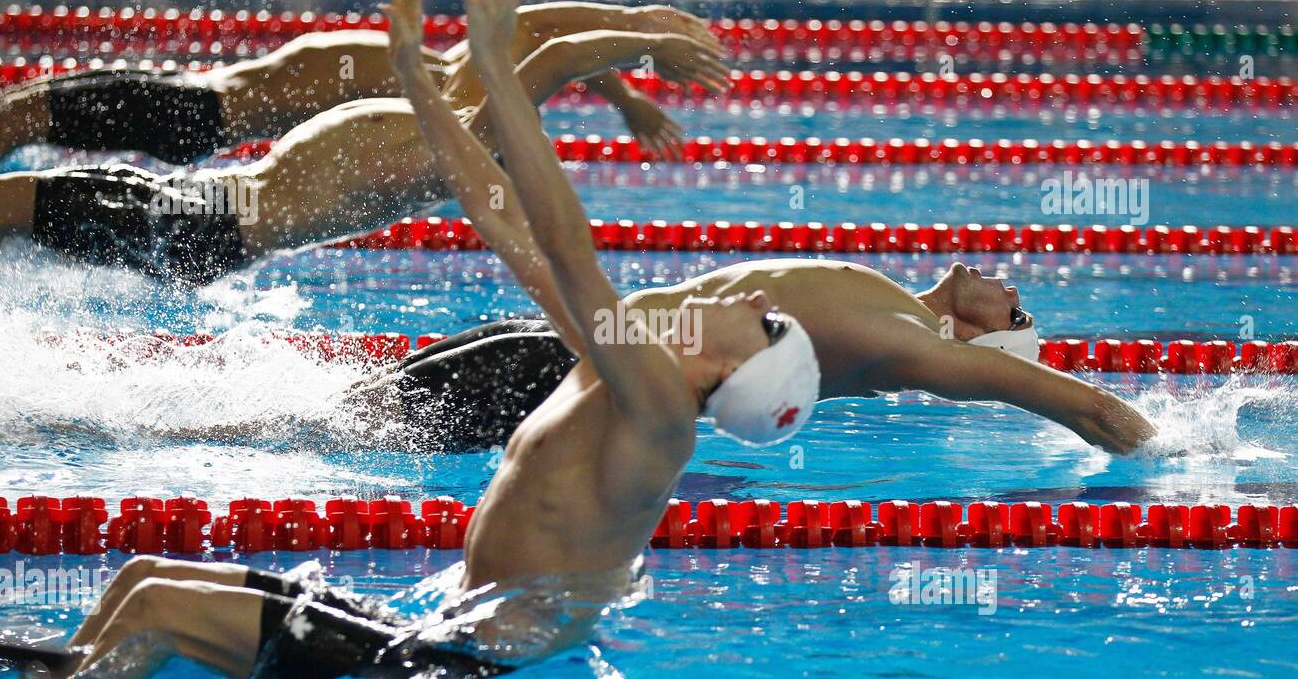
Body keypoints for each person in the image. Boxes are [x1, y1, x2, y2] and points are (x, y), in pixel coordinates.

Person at [0, 0, 820, 679]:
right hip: (433, 630)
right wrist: (422, 79)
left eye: (767, 323)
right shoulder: (617, 376)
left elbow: (568, 248)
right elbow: (506, 221)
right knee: (138, 579)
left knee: (151, 613)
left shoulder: (658, 410)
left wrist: (504, 69)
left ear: (733, 372)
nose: (753, 298)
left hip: (454, 664)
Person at [0, 13, 727, 284]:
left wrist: (650, 38)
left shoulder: (467, 134)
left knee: (21, 141)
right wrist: (633, 79)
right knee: (19, 166)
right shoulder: (453, 105)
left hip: (199, 221)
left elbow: (557, 52)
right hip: (203, 212)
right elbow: (547, 37)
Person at [353, 258, 1156, 455]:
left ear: (986, 341)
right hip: (569, 345)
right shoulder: (898, 309)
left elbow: (1086, 408)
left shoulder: (912, 345)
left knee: (321, 427)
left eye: (1015, 310)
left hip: (561, 378)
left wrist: (1196, 450)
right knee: (338, 408)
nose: (1007, 282)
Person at [0, 0, 715, 164]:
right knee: (20, 111)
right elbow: (562, 44)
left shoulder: (455, 85)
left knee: (21, 116)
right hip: (193, 99)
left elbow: (550, 36)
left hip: (196, 113)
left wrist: (640, 26)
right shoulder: (448, 69)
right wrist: (629, 95)